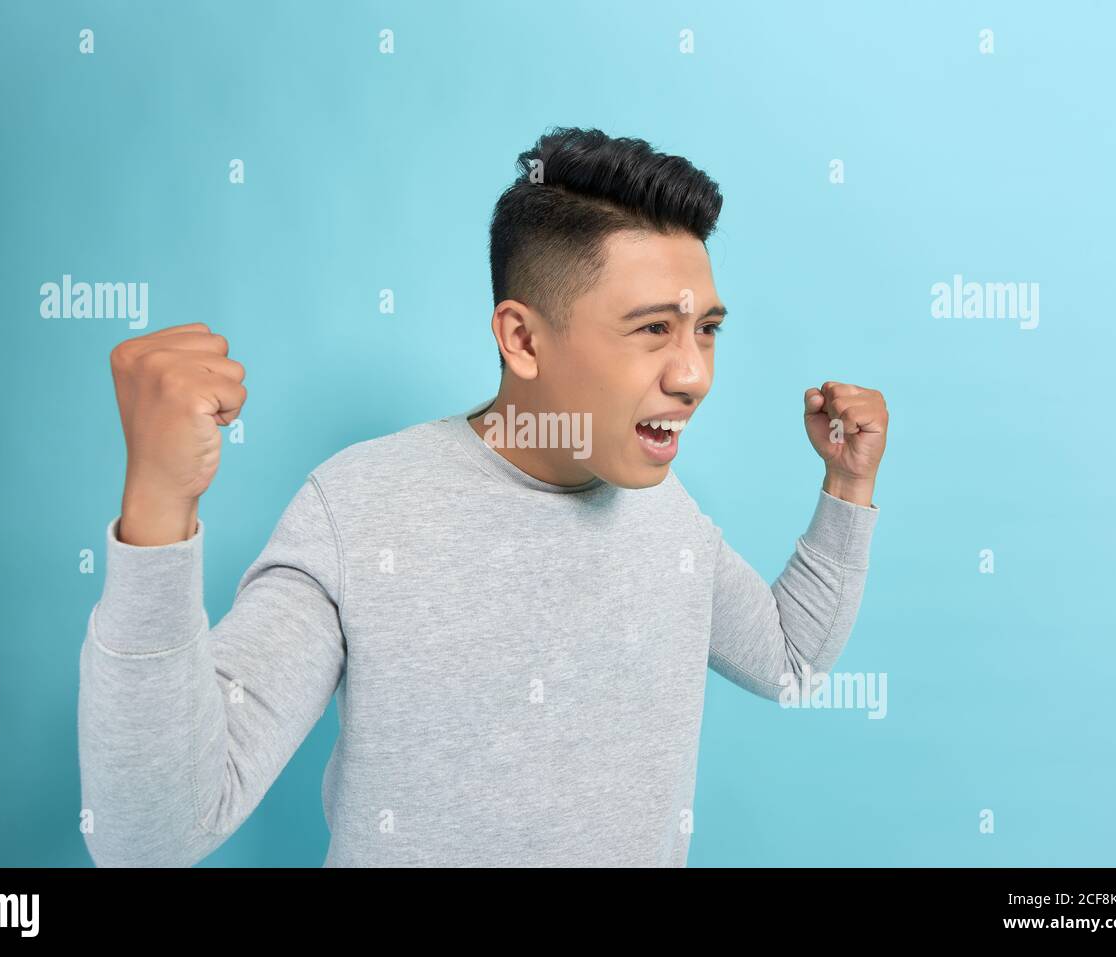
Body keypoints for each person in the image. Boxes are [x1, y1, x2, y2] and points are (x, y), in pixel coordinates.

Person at [78, 126, 888, 867]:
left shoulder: (666, 514)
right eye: (651, 330)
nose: (694, 376)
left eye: (705, 328)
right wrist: (158, 509)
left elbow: (790, 661)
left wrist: (848, 483)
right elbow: (151, 836)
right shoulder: (359, 511)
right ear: (522, 337)